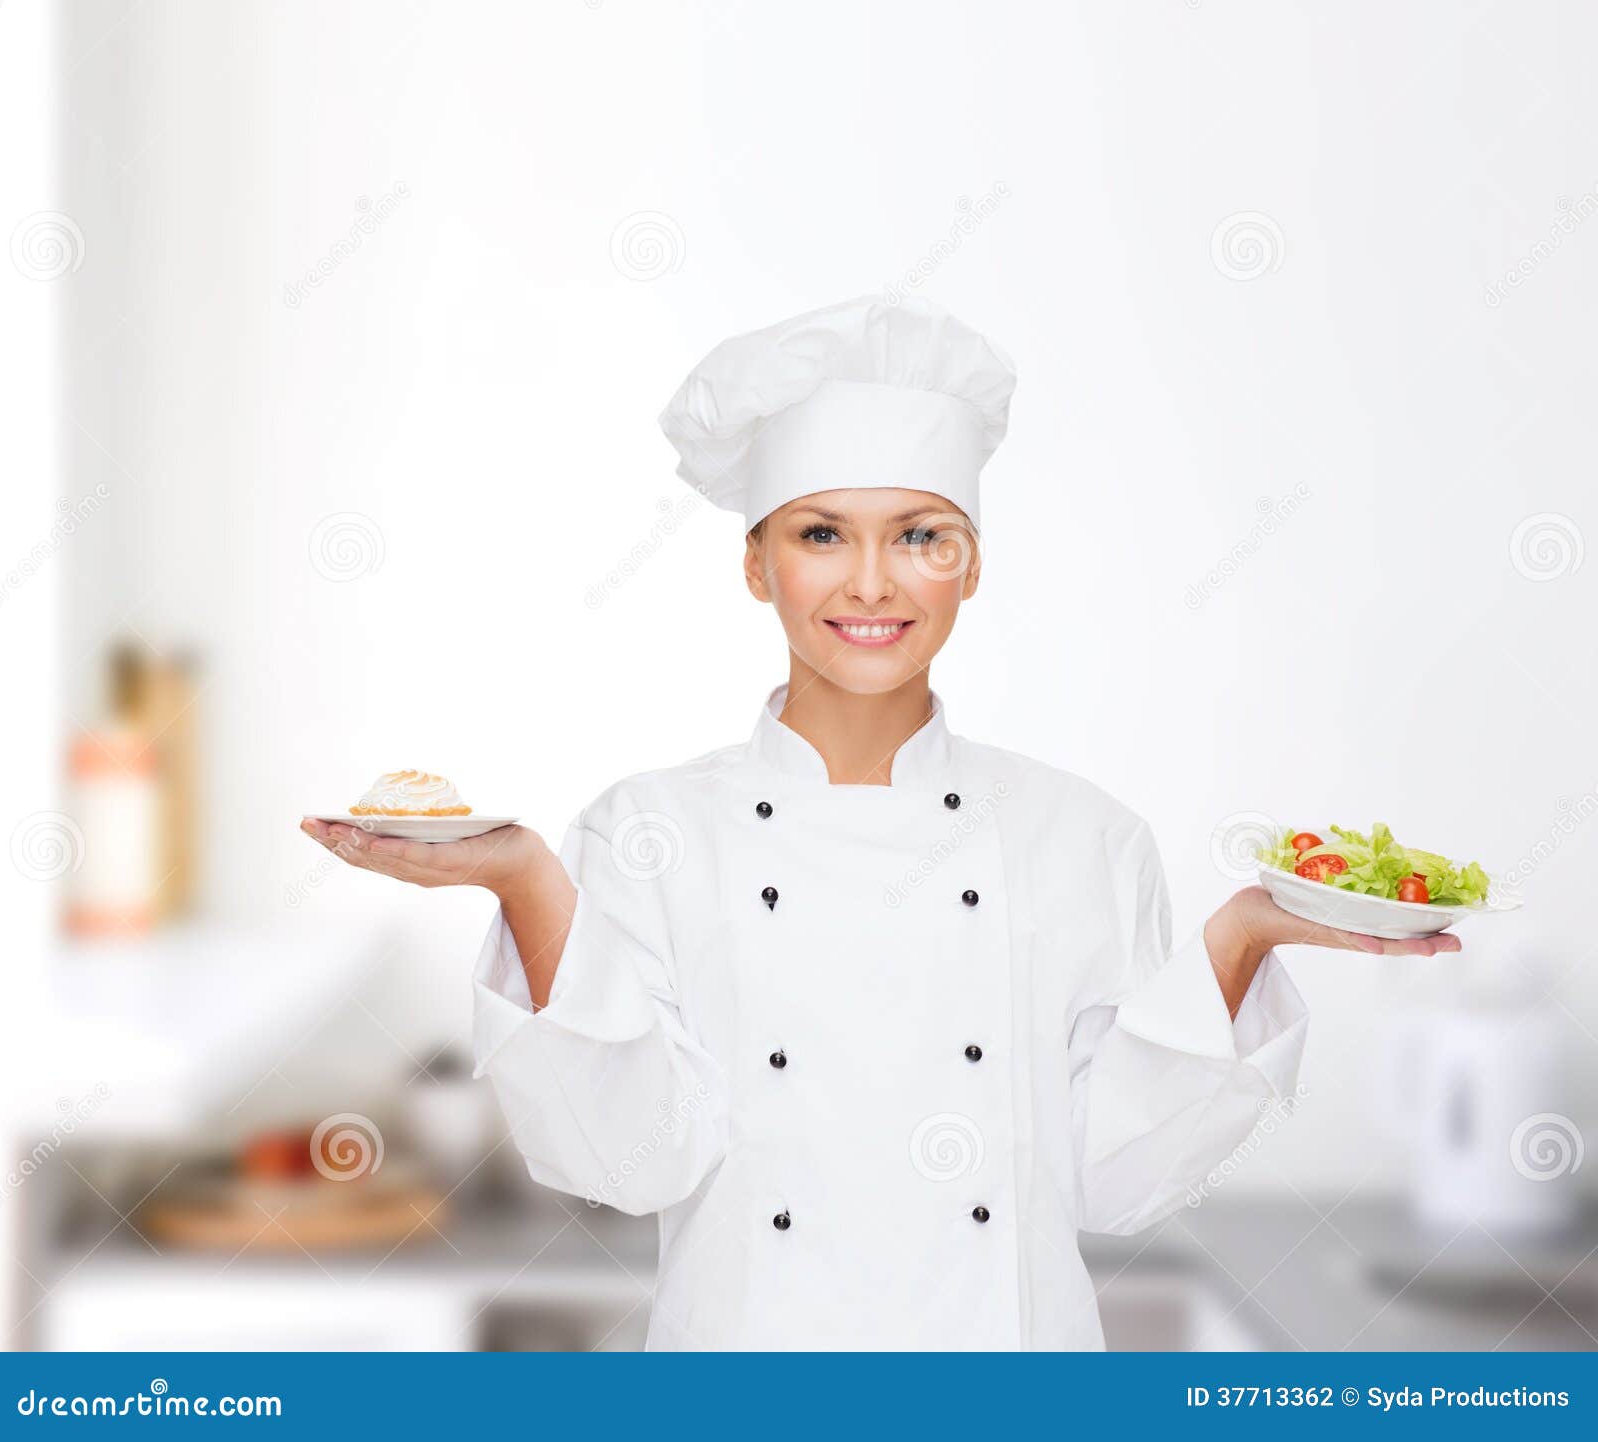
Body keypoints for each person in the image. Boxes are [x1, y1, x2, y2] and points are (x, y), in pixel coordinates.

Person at [300, 295, 1460, 1350]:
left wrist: (1241, 939)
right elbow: (627, 1159)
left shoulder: (1081, 835)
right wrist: (526, 883)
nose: (871, 583)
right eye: (819, 534)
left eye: (919, 534)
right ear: (755, 565)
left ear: (970, 564)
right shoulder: (647, 829)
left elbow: (1110, 1178)